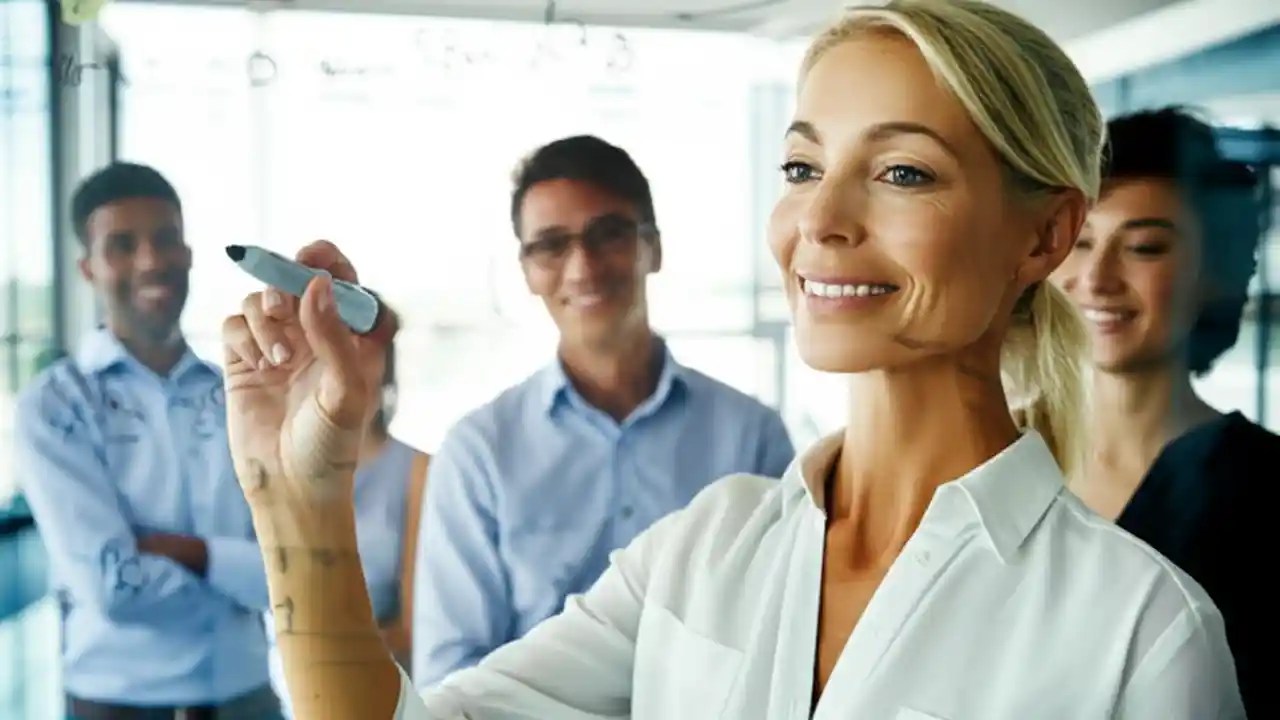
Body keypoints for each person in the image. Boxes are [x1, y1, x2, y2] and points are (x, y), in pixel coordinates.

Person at [218, 1, 1245, 718]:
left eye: (900, 172)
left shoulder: (1139, 633)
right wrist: (293, 492)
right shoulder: (703, 548)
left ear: (1043, 235)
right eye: (800, 165)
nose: (820, 219)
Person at [410, 134, 796, 688]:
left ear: (652, 248)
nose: (582, 268)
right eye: (551, 245)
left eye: (608, 234)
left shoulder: (751, 436)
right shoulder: (479, 453)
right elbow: (450, 675)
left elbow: (784, 634)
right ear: (527, 270)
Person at [16, 162, 282, 719]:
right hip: (118, 702)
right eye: (122, 245)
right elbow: (113, 587)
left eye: (166, 239)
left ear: (188, 252)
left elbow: (288, 571)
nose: (151, 261)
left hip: (247, 695)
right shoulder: (56, 404)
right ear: (88, 268)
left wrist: (189, 552)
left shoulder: (242, 393)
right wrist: (235, 568)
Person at [1051, 106, 1277, 718]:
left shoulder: (1264, 488)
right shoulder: (988, 458)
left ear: (1216, 273)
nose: (1097, 278)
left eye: (1144, 247)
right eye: (1080, 244)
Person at [265, 331, 430, 716]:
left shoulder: (417, 471)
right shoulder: (273, 465)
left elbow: (416, 626)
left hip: (372, 687)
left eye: (366, 354)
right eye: (334, 349)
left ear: (387, 366)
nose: (350, 368)